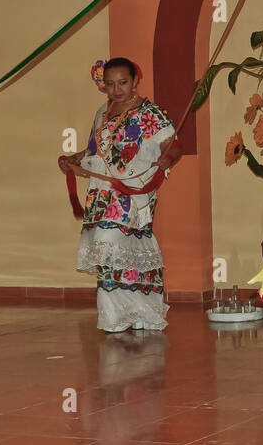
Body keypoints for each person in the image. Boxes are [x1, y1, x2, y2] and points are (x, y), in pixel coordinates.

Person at [60, 58, 181, 333]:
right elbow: (92, 150)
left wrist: (167, 158)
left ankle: (142, 312)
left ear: (135, 81)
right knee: (109, 251)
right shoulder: (102, 113)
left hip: (132, 191)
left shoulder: (150, 114)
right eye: (110, 84)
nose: (116, 90)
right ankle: (118, 316)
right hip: (101, 193)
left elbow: (174, 146)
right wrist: (72, 158)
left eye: (122, 83)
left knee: (116, 244)